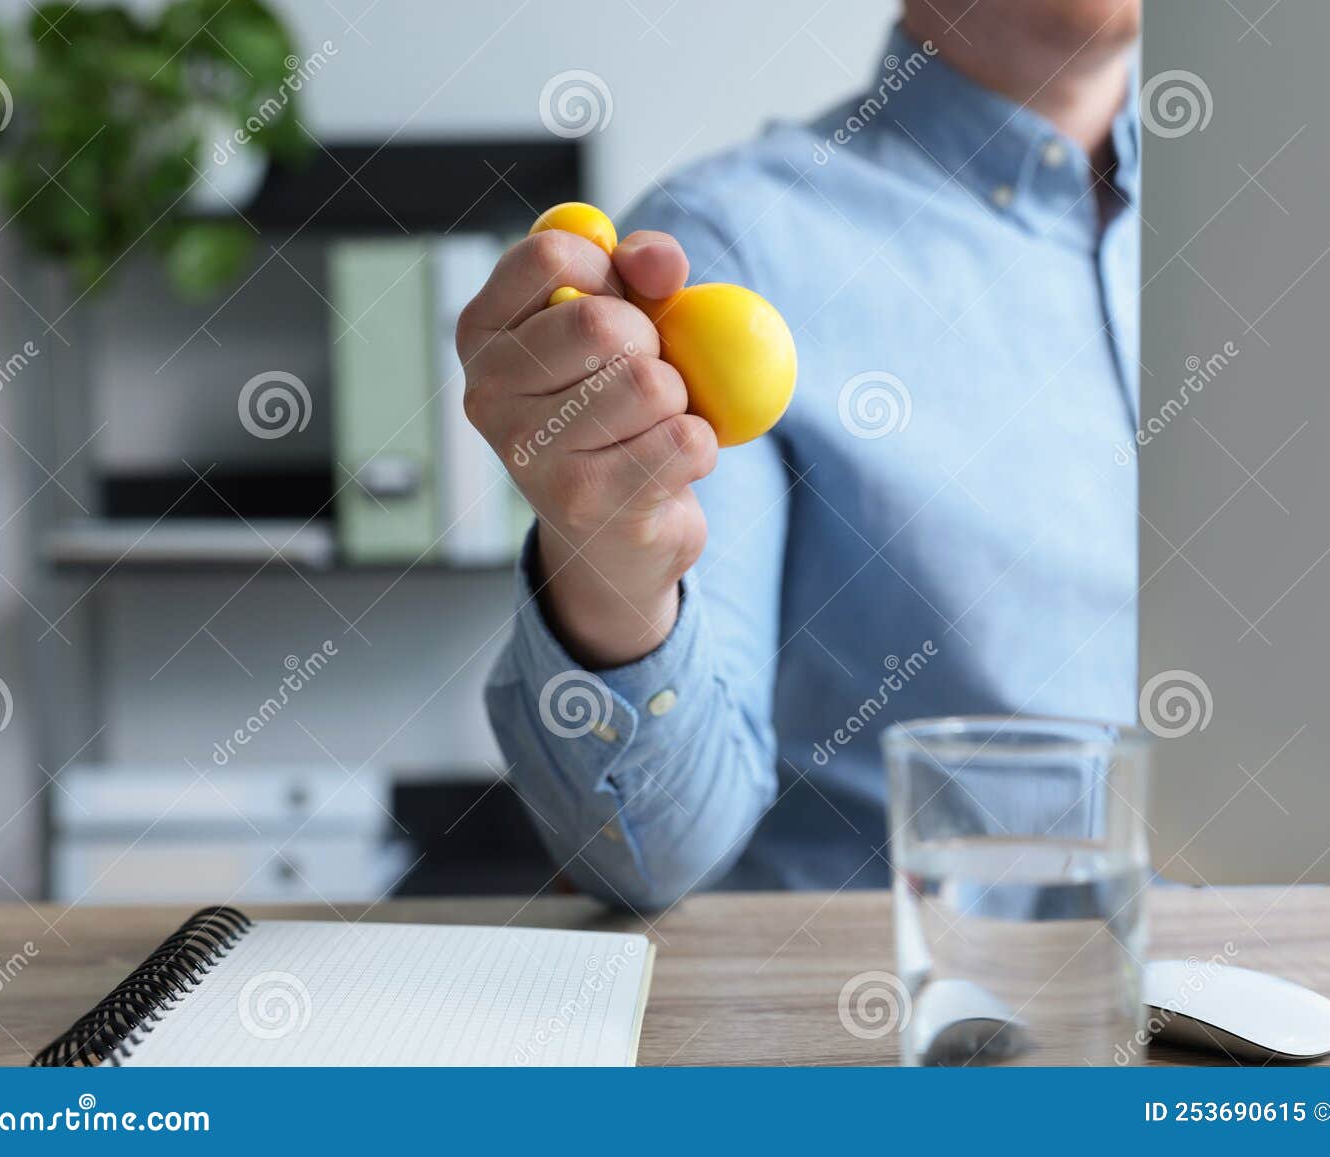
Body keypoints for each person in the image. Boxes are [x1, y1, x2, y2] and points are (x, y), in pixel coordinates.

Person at [458, 0, 1143, 909]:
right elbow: (654, 854)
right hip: (920, 1024)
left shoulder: (1310, 205)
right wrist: (613, 562)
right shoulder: (728, 247)